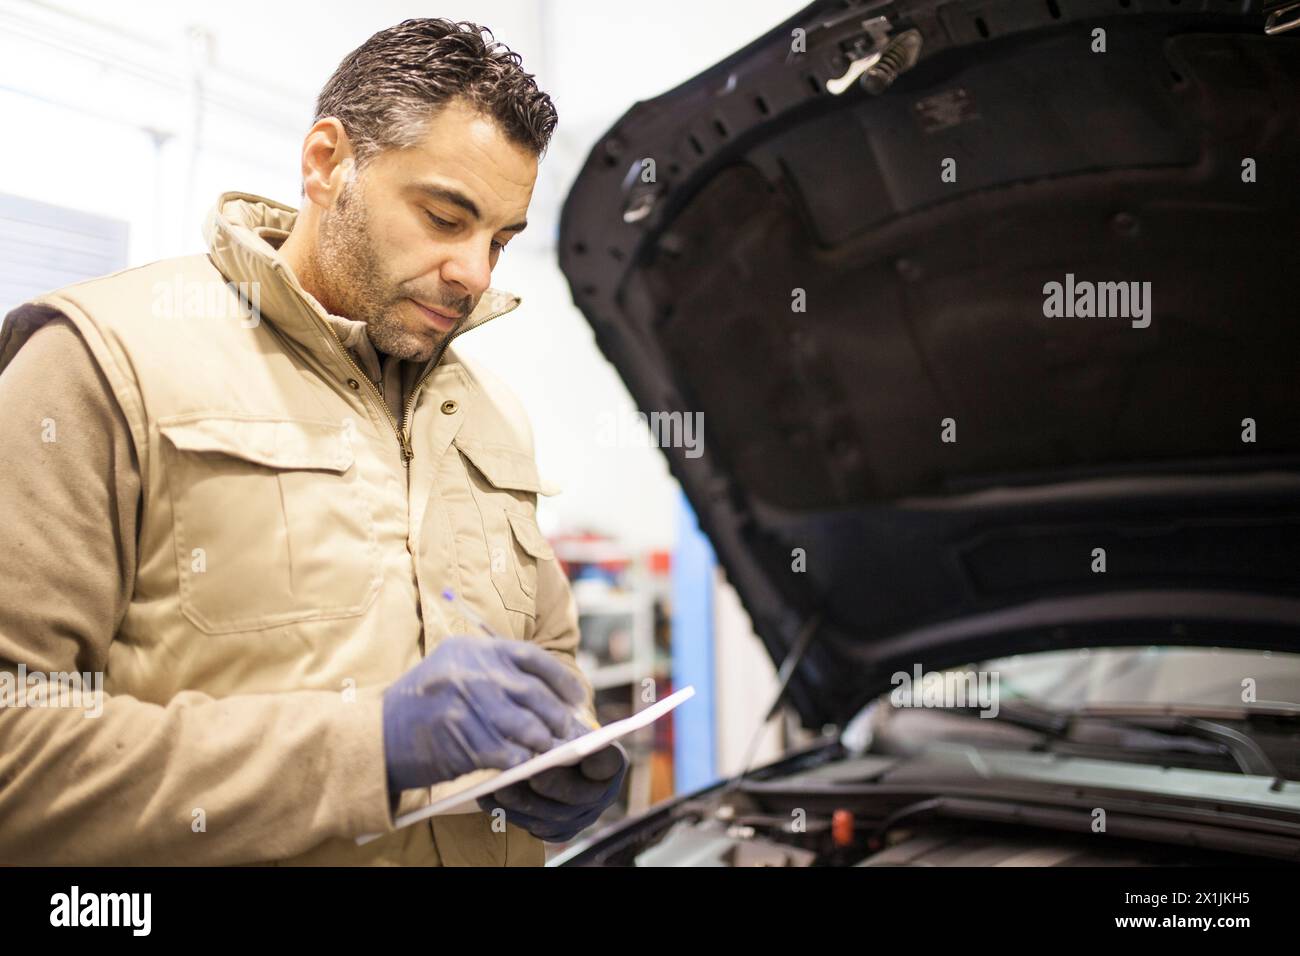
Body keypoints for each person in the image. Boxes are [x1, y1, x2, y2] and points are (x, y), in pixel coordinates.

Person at [0, 17, 625, 866]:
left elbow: (548, 651)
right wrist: (369, 746)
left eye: (502, 240)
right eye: (447, 217)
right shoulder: (100, 362)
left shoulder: (488, 413)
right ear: (327, 164)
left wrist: (568, 743)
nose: (477, 273)